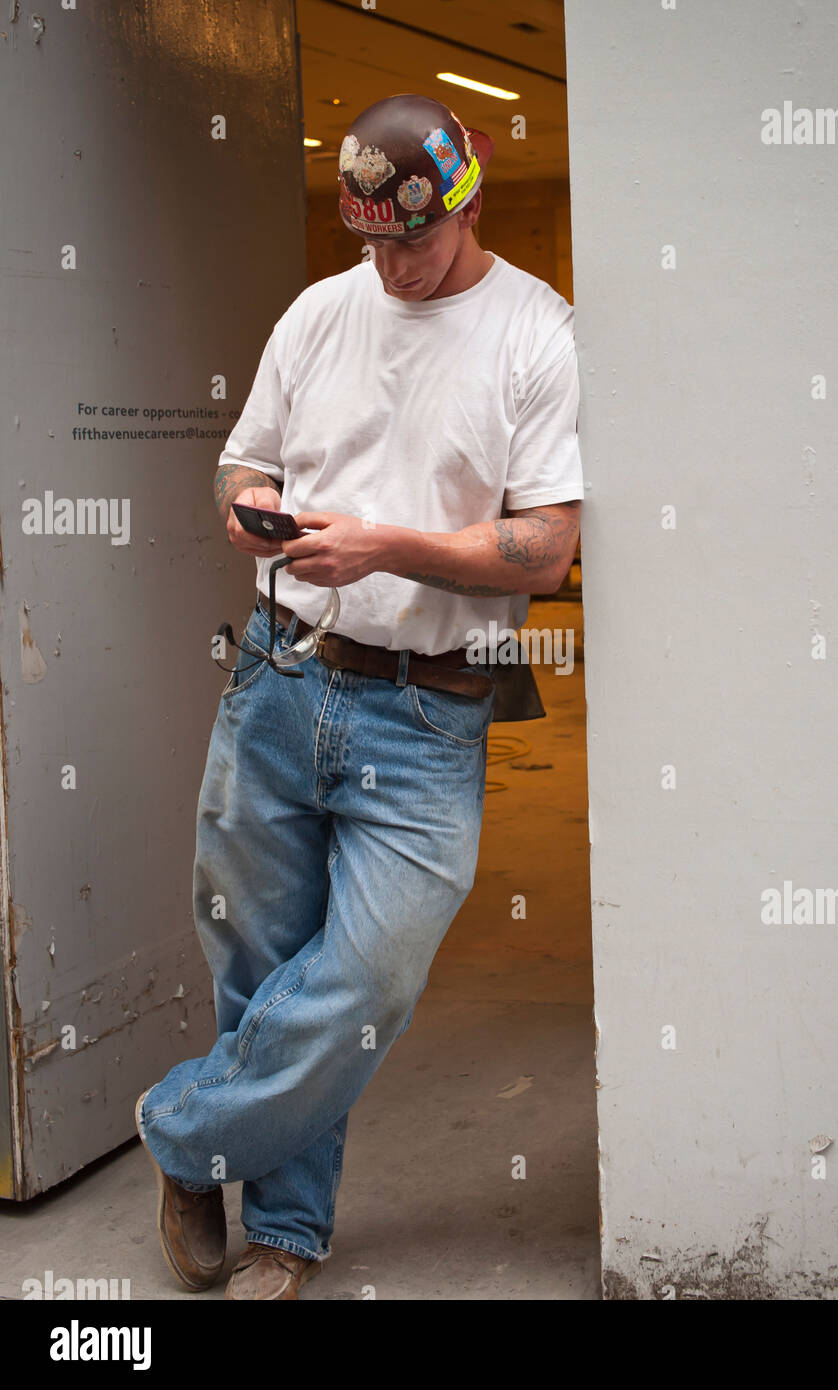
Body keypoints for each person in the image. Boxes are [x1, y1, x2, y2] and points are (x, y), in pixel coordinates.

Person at [133, 93, 584, 1300]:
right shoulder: (319, 311)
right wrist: (242, 502)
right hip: (279, 676)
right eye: (367, 238)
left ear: (467, 199)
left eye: (411, 240)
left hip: (429, 709)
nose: (386, 264)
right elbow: (246, 456)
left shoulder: (537, 333)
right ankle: (284, 1231)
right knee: (260, 965)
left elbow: (542, 552)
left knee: (365, 980)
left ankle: (182, 1137)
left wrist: (384, 546)